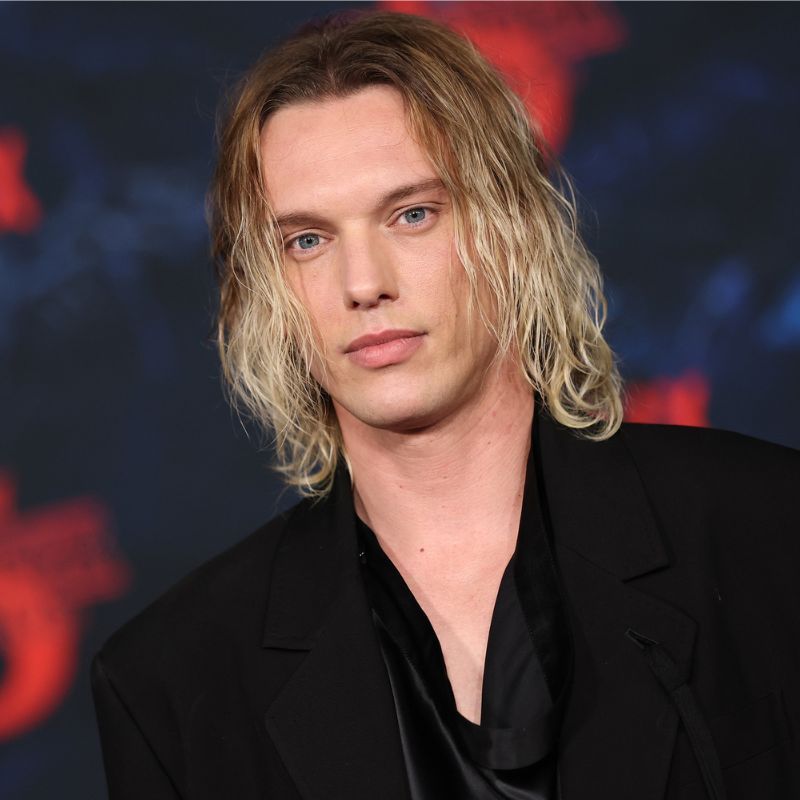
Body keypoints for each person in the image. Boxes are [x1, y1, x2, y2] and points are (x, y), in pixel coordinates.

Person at [91, 10, 800, 800]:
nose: (364, 283)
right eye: (307, 240)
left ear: (513, 230)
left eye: (412, 215)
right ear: (261, 290)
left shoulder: (766, 531)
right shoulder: (172, 682)